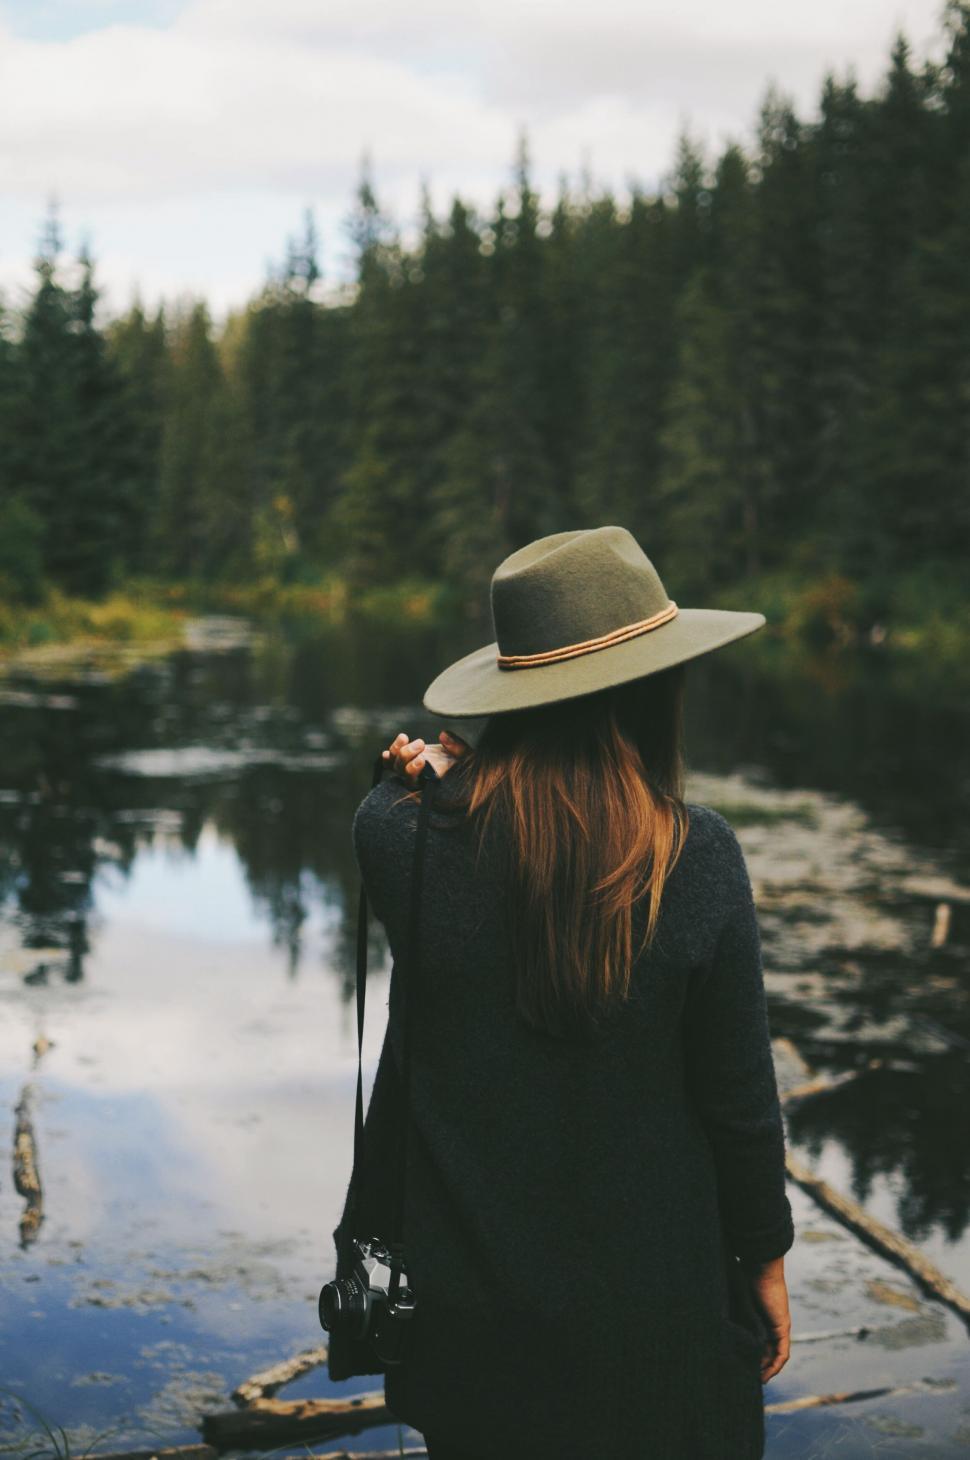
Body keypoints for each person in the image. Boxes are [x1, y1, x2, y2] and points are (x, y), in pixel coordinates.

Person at [330, 526, 794, 1460]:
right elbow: (739, 1102)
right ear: (655, 685)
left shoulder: (399, 837)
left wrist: (433, 777)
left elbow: (402, 804)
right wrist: (765, 1260)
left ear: (514, 692)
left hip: (472, 1324)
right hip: (653, 1321)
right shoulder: (694, 858)